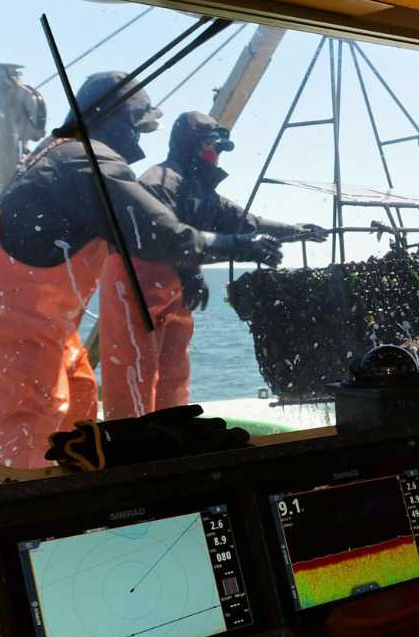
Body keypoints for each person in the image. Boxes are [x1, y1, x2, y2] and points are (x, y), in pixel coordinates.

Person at [0, 72, 277, 466]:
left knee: (78, 394)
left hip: (36, 299)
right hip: (16, 303)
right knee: (34, 414)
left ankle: (84, 476)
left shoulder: (59, 150)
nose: (141, 141)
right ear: (113, 118)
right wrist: (240, 246)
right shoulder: (86, 161)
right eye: (137, 127)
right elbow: (164, 234)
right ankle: (43, 504)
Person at [96, 111, 325, 418]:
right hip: (136, 283)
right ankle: (131, 447)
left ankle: (172, 435)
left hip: (174, 288)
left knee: (173, 369)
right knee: (134, 370)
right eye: (213, 146)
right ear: (194, 146)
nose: (217, 155)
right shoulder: (158, 183)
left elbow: (248, 223)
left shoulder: (202, 191)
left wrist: (298, 231)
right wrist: (197, 268)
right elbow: (163, 241)